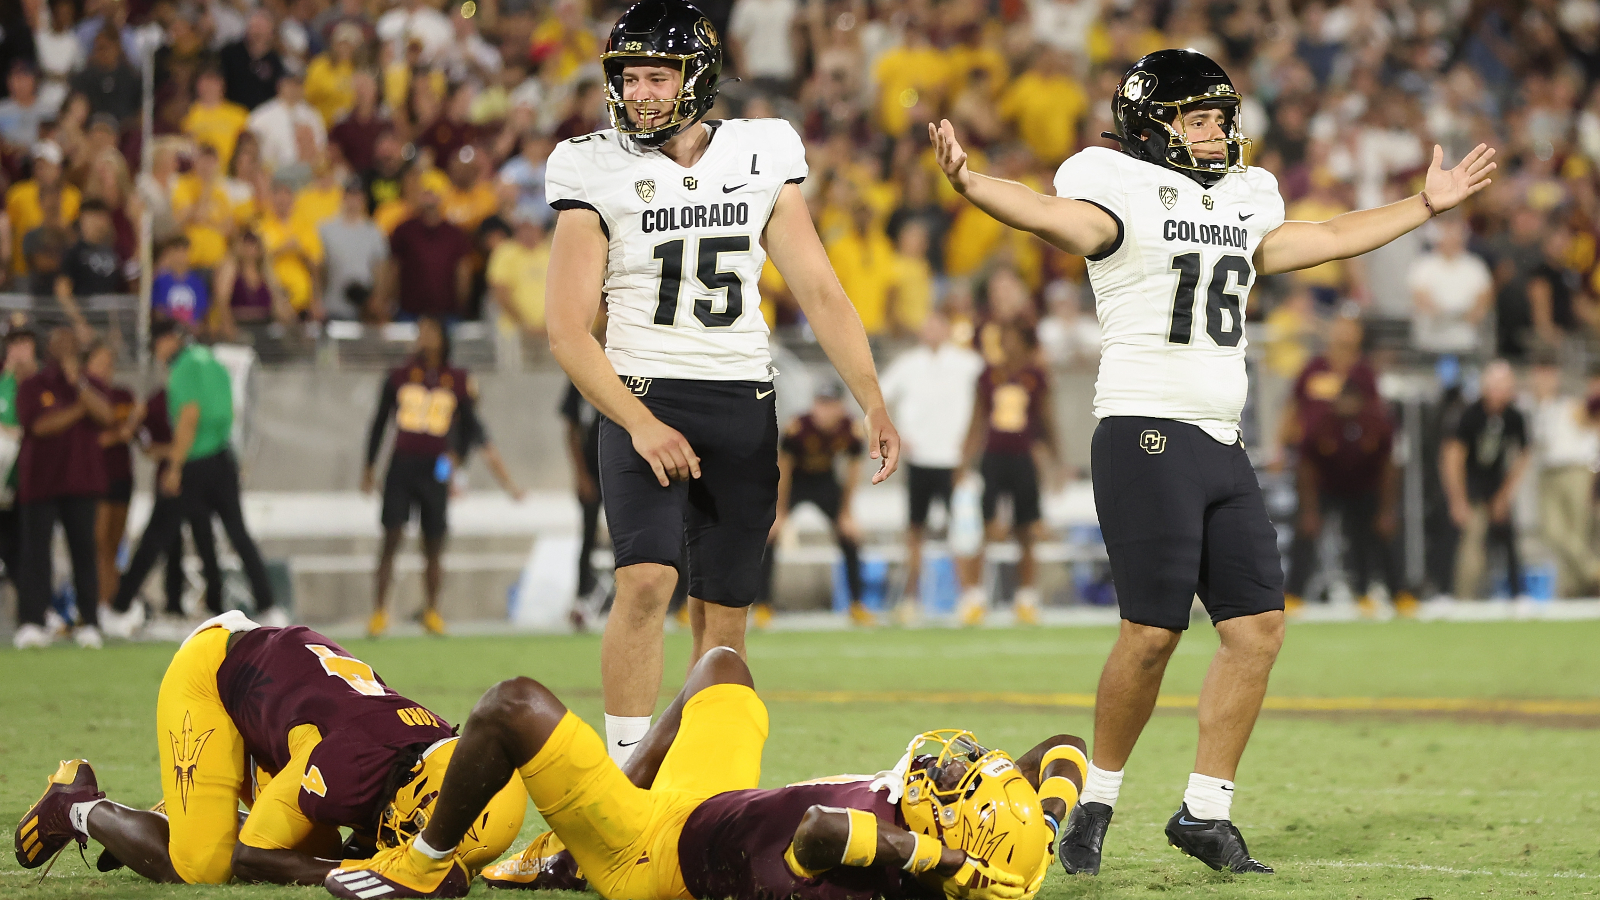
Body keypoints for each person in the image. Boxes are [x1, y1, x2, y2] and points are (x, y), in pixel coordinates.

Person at [928, 48, 1494, 873]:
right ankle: (1096, 802)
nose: (1218, 131)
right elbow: (1055, 217)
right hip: (1144, 429)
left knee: (1258, 626)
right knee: (1152, 633)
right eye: (1198, 117)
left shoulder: (1244, 197)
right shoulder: (1111, 185)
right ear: (1152, 124)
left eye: (1222, 117)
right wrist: (974, 185)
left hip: (1221, 438)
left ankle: (1204, 810)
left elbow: (1328, 237)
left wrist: (1424, 205)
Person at [544, 0, 899, 768]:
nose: (638, 92)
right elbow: (567, 329)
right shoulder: (590, 164)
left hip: (743, 399)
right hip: (644, 393)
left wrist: (871, 396)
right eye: (629, 76)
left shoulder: (761, 151)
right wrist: (639, 422)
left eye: (655, 74)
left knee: (724, 619)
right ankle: (627, 776)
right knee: (643, 580)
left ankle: (705, 781)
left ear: (697, 77)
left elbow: (821, 290)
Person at [325, 646, 1078, 900]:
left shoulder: (887, 860)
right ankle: (564, 848)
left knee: (512, 705)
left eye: (958, 784)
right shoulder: (989, 850)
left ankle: (421, 868)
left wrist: (943, 863)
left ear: (947, 841)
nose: (954, 767)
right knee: (723, 667)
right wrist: (1044, 813)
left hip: (648, 855)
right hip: (718, 801)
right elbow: (1061, 746)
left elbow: (824, 833)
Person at [13, 612, 523, 885]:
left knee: (315, 846)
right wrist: (365, 872)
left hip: (280, 685)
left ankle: (198, 808)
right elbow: (252, 856)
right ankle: (75, 802)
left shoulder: (428, 744)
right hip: (210, 679)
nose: (441, 839)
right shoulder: (352, 762)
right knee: (204, 867)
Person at [102, 321, 283, 636]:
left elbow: (188, 417)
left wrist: (174, 466)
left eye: (158, 343)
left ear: (171, 339)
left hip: (192, 461)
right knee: (238, 535)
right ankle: (269, 606)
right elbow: (229, 411)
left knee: (155, 536)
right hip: (222, 458)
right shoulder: (214, 362)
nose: (157, 352)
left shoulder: (184, 367)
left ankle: (118, 609)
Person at [361, 317, 484, 637]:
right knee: (391, 536)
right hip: (402, 464)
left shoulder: (456, 379)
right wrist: (369, 465)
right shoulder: (400, 375)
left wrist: (457, 457)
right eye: (421, 332)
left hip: (436, 468)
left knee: (434, 541)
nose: (424, 338)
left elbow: (470, 426)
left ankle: (432, 609)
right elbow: (379, 422)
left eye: (431, 331)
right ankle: (379, 611)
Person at [13, 327, 115, 649]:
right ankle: (32, 621)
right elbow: (41, 426)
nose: (65, 349)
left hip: (81, 484)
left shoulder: (90, 385)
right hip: (40, 483)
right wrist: (78, 409)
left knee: (84, 552)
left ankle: (89, 621)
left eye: (70, 344)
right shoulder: (33, 386)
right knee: (35, 554)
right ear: (49, 349)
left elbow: (107, 415)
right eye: (59, 343)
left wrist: (79, 387)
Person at [880, 311, 985, 622]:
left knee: (963, 530)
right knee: (915, 530)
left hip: (954, 460)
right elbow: (880, 397)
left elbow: (986, 400)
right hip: (920, 458)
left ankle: (969, 597)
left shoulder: (969, 364)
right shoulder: (908, 364)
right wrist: (897, 433)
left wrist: (970, 446)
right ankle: (912, 599)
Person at [955, 322, 1059, 626]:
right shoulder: (988, 375)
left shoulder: (1036, 376)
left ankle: (1025, 598)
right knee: (983, 527)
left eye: (1015, 338)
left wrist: (1056, 461)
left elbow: (1047, 420)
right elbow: (976, 420)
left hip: (1023, 457)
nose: (1009, 346)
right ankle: (974, 597)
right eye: (1006, 338)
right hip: (994, 457)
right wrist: (964, 460)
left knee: (1026, 529)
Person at [1284, 380, 1413, 616]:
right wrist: (1310, 510)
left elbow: (1389, 469)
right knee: (1305, 533)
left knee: (1376, 535)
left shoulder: (1377, 425)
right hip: (1326, 488)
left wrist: (1387, 510)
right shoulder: (1321, 425)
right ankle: (1292, 594)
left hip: (1366, 489)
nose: (1347, 406)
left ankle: (1395, 593)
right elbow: (1306, 469)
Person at [763, 383, 871, 628]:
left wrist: (846, 513)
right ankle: (763, 604)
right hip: (795, 481)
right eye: (820, 404)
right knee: (769, 535)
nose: (824, 411)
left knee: (849, 537)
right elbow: (784, 468)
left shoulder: (850, 429)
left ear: (840, 407)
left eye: (830, 405)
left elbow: (853, 470)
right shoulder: (798, 427)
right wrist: (779, 512)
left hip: (825, 481)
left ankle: (857, 604)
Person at [1442, 360, 1529, 600]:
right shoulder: (1469, 415)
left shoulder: (1513, 417)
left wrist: (1505, 495)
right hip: (1471, 482)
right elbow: (1453, 459)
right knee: (1471, 540)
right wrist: (1458, 499)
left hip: (1496, 482)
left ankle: (1518, 594)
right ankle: (1461, 596)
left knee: (1508, 537)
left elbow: (1523, 455)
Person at [1529, 355, 1600, 597]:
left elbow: (1590, 418)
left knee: (1578, 530)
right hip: (1548, 473)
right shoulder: (1536, 408)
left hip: (1576, 470)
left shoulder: (1570, 403)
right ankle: (1592, 570)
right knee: (1552, 530)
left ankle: (1574, 588)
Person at [87, 340, 139, 616]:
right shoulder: (84, 394)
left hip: (121, 475)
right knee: (99, 544)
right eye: (100, 361)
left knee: (113, 546)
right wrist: (115, 435)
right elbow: (94, 439)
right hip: (97, 478)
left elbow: (128, 428)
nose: (106, 368)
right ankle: (99, 604)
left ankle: (111, 604)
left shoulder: (121, 394)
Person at [0, 328, 38, 641]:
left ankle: (33, 616)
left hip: (28, 484)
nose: (20, 351)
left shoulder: (42, 385)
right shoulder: (3, 383)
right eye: (16, 344)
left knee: (26, 552)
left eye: (26, 344)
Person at [1408, 219, 1493, 358]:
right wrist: (1456, 315)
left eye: (1455, 233)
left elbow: (1482, 305)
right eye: (1446, 232)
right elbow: (1422, 302)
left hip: (1466, 343)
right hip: (1429, 344)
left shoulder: (1476, 267)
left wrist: (1449, 315)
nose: (1450, 238)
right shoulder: (1423, 266)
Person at [560, 379, 604, 612]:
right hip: (591, 471)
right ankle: (582, 598)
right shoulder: (580, 375)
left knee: (628, 538)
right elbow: (571, 429)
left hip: (623, 471)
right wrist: (581, 474)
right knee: (588, 536)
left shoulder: (626, 366)